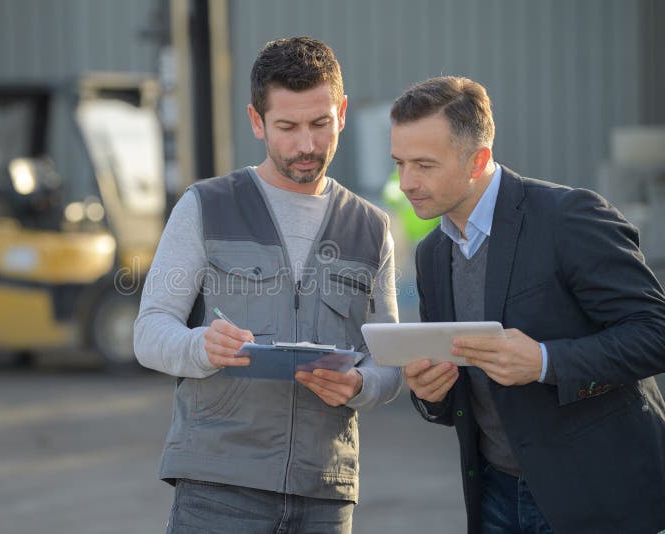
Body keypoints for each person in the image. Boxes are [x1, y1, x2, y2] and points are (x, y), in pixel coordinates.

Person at [134, 37, 402, 533]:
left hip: (324, 493)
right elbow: (149, 331)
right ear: (257, 121)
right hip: (218, 487)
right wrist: (201, 346)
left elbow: (388, 359)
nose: (306, 145)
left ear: (342, 113)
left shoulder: (371, 229)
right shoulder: (206, 206)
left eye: (320, 123)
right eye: (287, 127)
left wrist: (361, 384)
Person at [391, 76, 665, 533]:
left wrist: (544, 361)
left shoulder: (569, 218)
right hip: (494, 496)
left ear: (478, 160)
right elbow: (460, 395)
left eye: (424, 165)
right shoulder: (433, 253)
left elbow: (655, 332)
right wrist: (430, 392)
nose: (405, 183)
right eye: (399, 163)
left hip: (598, 493)